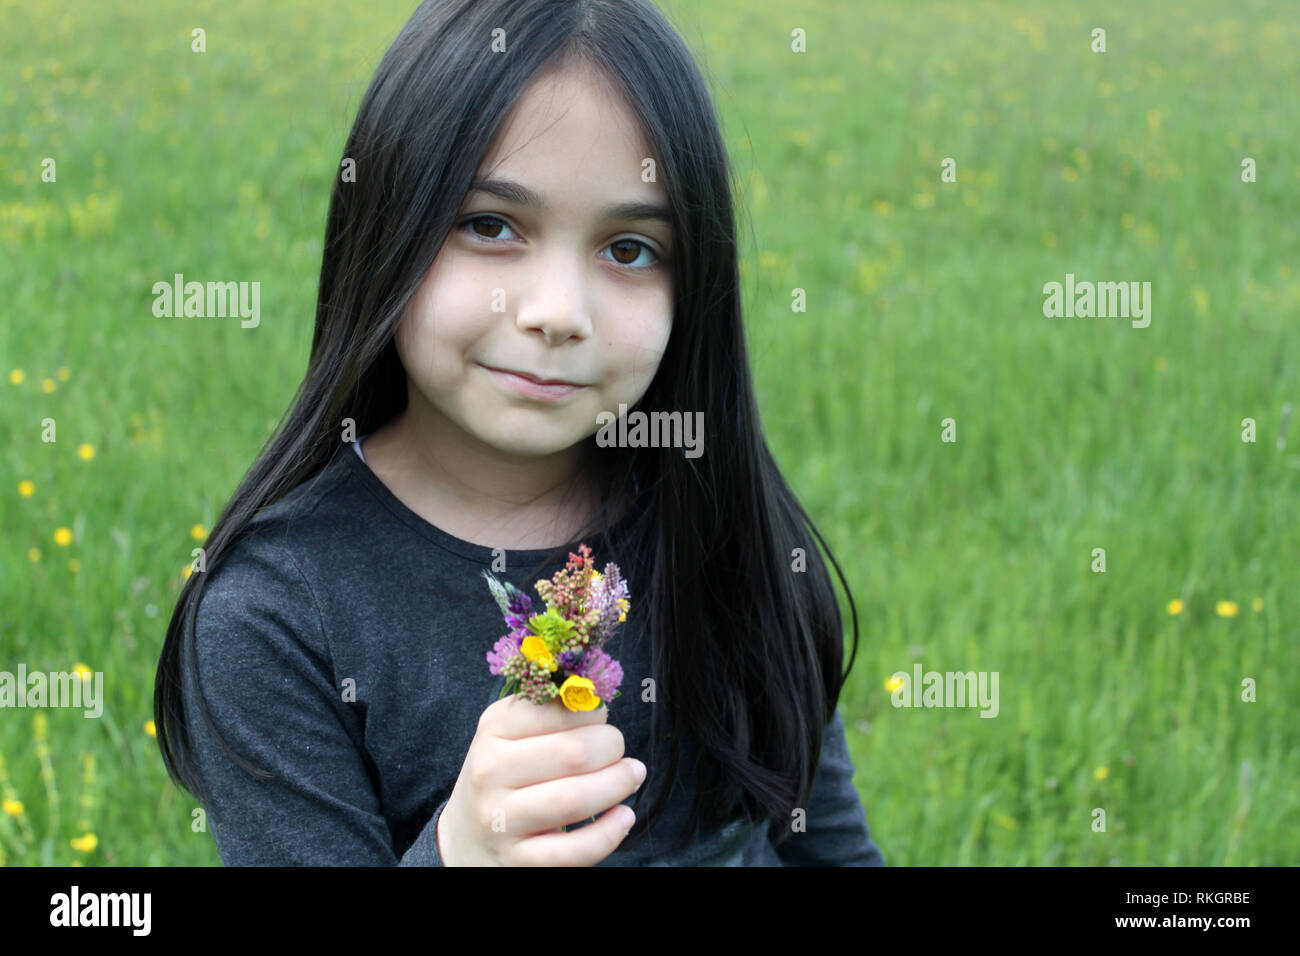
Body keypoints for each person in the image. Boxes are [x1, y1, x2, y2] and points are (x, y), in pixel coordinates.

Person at [154, 0, 885, 867]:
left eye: (628, 248)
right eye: (491, 225)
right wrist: (460, 853)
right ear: (387, 224)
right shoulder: (274, 614)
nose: (557, 314)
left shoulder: (719, 521)